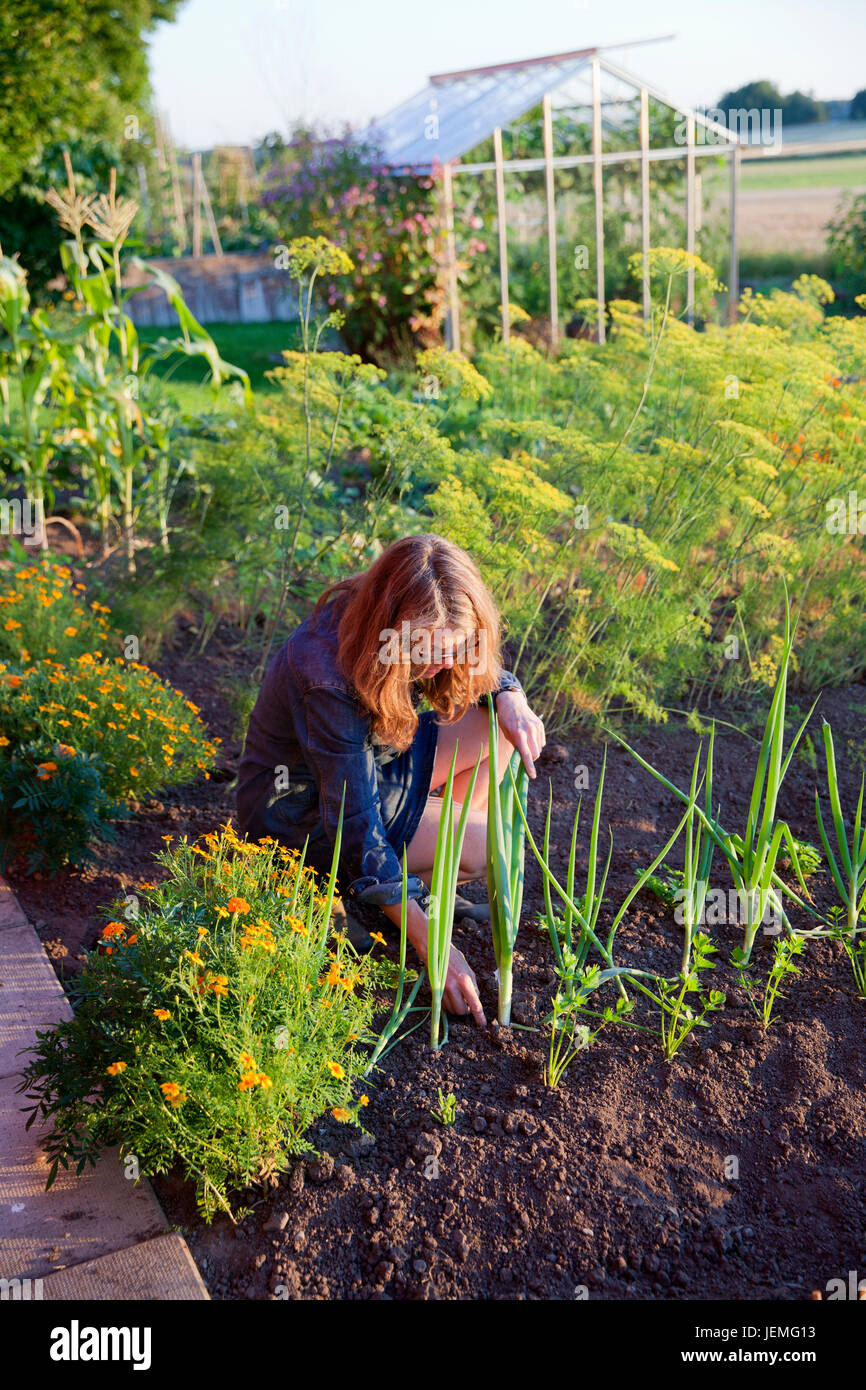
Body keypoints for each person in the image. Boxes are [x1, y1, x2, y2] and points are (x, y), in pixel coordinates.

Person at [236, 533, 545, 1027]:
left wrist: (510, 695)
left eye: (458, 647)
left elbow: (482, 675)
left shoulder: (383, 614)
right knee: (486, 845)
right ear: (395, 626)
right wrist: (433, 948)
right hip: (300, 819)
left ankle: (420, 893)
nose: (446, 664)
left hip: (369, 770)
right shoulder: (324, 673)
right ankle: (383, 903)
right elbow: (354, 821)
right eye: (434, 652)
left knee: (495, 727)